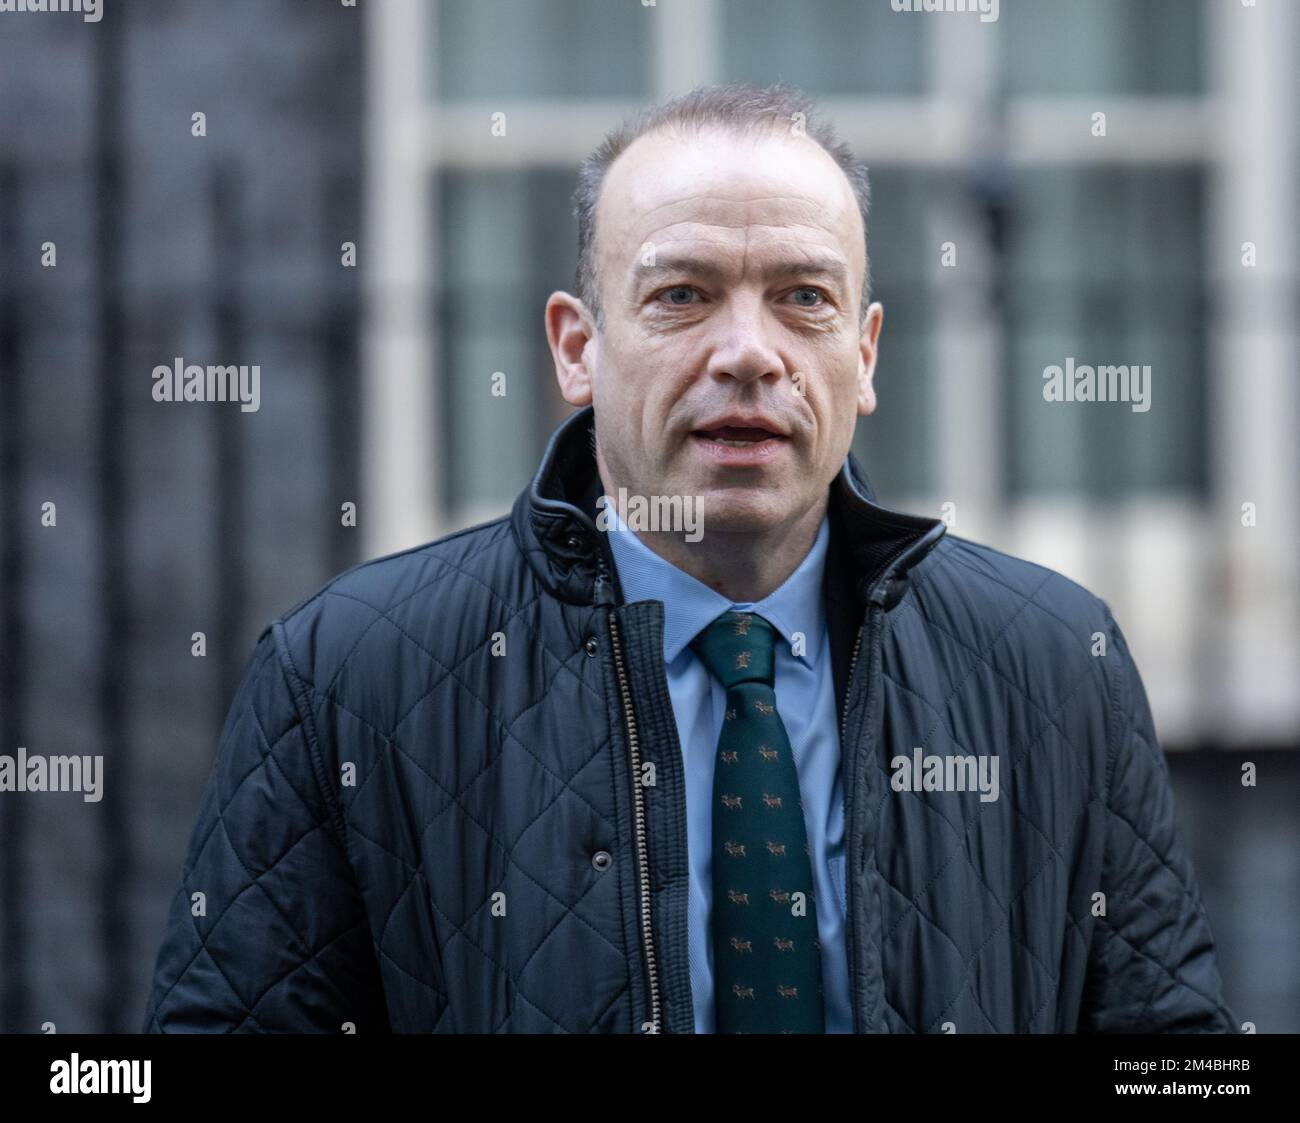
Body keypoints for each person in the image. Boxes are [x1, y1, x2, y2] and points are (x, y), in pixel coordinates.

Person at [143, 81, 1235, 1034]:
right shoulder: (343, 677)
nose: (750, 353)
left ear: (862, 356)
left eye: (803, 298)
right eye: (682, 295)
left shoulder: (1054, 665)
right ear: (578, 348)